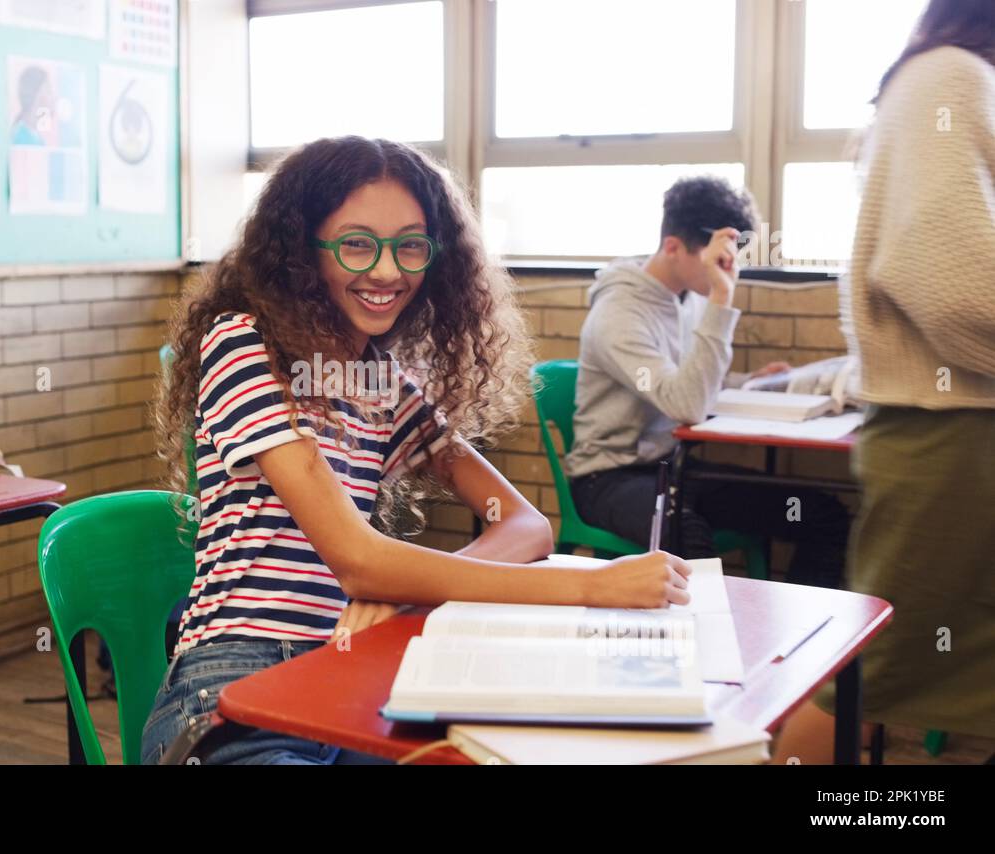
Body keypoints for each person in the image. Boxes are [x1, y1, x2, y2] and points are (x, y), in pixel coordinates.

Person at [143, 136, 693, 765]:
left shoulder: (379, 378)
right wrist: (592, 589)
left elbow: (523, 523)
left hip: (352, 675)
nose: (387, 271)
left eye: (409, 245)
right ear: (301, 253)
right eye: (356, 243)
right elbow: (357, 560)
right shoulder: (244, 344)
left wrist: (411, 591)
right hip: (232, 686)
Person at [775, 0, 995, 763]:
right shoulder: (950, 78)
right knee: (873, 684)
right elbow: (950, 285)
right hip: (953, 437)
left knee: (927, 686)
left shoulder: (958, 83)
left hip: (956, 431)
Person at [567, 176, 849, 589]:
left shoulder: (687, 295)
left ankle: (814, 649)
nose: (728, 271)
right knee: (686, 533)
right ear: (673, 248)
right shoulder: (619, 314)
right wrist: (721, 300)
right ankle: (711, 646)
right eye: (718, 260)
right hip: (610, 478)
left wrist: (746, 381)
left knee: (820, 514)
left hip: (677, 468)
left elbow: (686, 380)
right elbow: (686, 404)